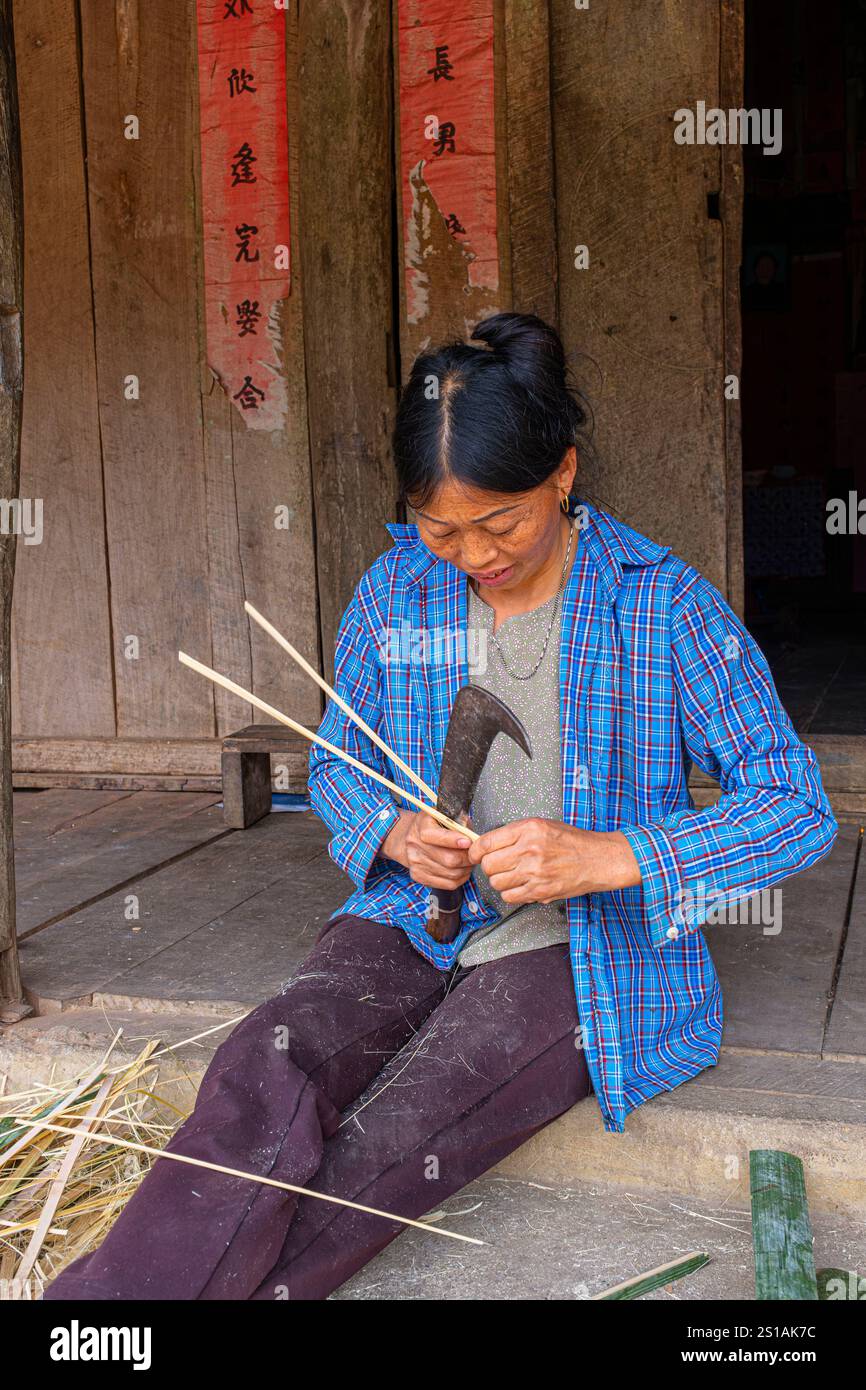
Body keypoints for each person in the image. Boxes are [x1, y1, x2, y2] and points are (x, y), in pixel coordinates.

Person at [44, 312, 837, 1301]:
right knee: (268, 1057)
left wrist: (606, 856)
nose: (469, 553)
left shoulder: (662, 604)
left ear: (560, 472)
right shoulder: (395, 589)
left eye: (497, 522)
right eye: (439, 526)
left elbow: (793, 805)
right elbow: (335, 768)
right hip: (410, 915)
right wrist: (389, 830)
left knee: (407, 1128)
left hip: (584, 948)